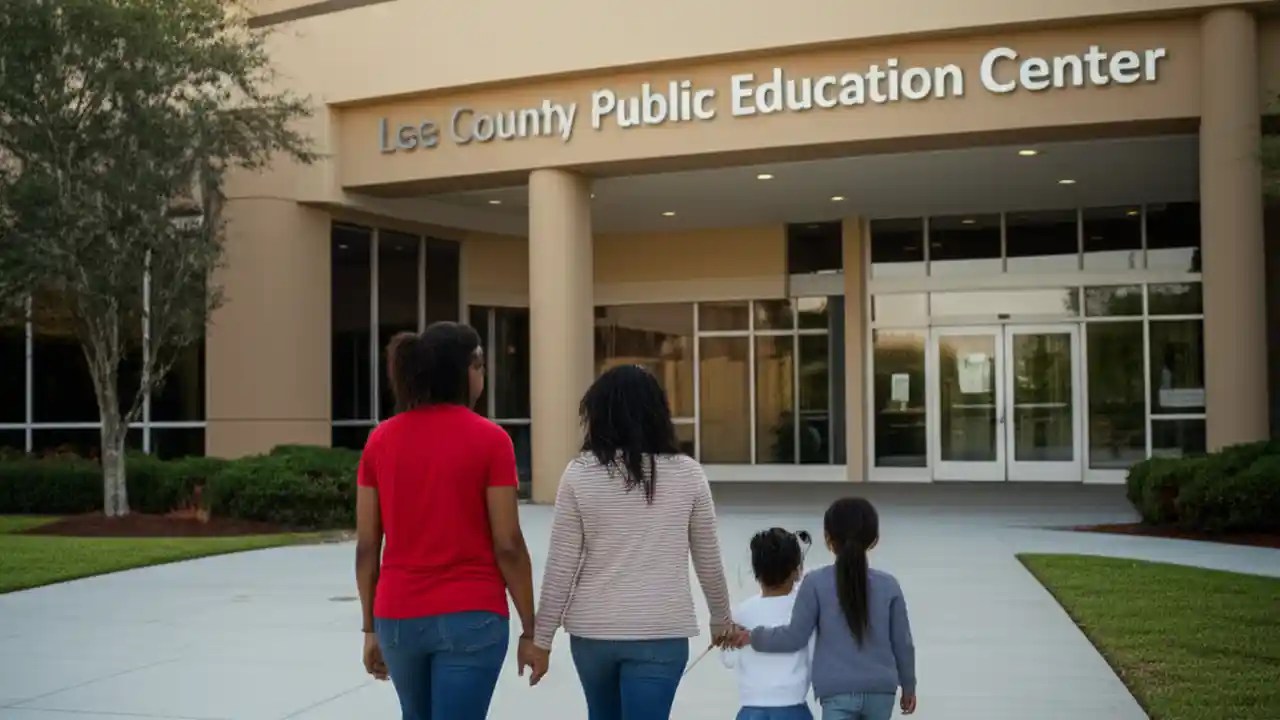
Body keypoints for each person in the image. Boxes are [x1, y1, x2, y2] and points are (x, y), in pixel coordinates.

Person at [355, 322, 545, 720]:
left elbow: (368, 545)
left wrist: (370, 627)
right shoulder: (491, 441)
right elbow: (508, 543)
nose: (483, 374)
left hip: (398, 616)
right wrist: (531, 629)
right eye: (480, 364)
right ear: (466, 370)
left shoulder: (380, 440)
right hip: (471, 615)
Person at [530, 364, 734, 720]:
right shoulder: (688, 474)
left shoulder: (579, 474)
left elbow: (560, 566)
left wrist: (541, 640)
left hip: (593, 635)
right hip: (660, 633)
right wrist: (721, 618)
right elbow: (708, 559)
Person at [743, 498, 917, 720]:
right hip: (881, 691)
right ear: (874, 540)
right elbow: (903, 643)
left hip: (836, 691)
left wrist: (752, 636)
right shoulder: (889, 585)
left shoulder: (815, 583)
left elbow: (794, 637)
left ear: (828, 539)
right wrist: (909, 685)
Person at [721, 528, 816, 720]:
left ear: (756, 572)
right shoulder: (805, 608)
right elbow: (815, 656)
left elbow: (728, 660)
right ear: (796, 570)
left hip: (750, 710)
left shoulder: (742, 612)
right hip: (793, 708)